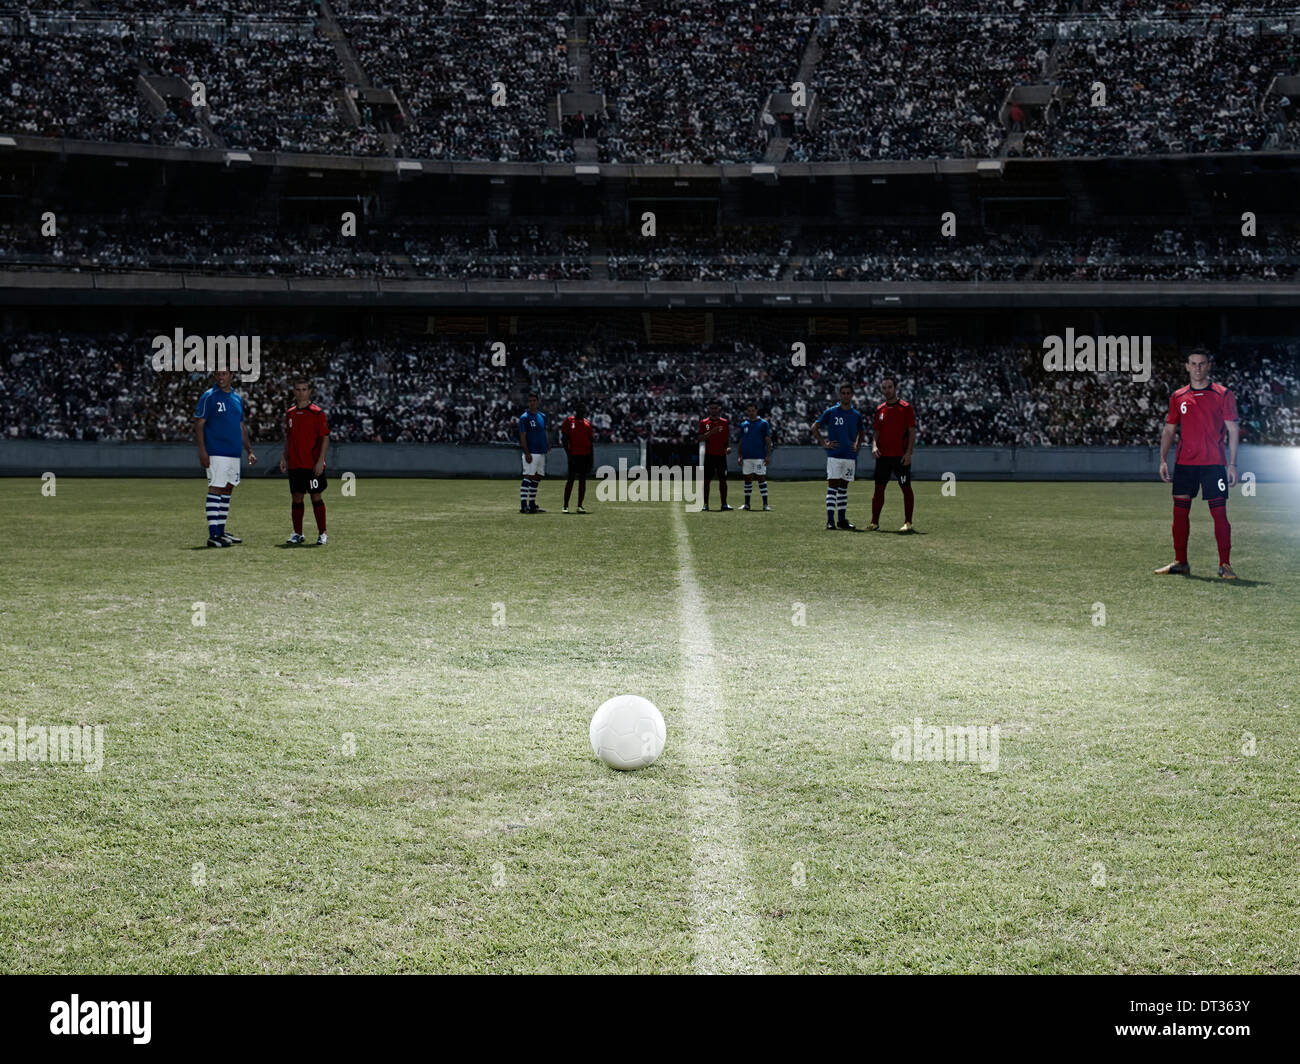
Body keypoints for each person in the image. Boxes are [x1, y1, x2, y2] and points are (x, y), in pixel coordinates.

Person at [1156, 349, 1239, 579]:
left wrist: (1232, 465)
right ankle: (1180, 561)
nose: (1198, 368)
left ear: (1209, 366)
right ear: (1187, 367)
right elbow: (1170, 429)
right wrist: (1163, 459)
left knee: (1219, 514)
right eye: (1193, 364)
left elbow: (1232, 429)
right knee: (1179, 513)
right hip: (1185, 463)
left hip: (1214, 464)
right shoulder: (1178, 396)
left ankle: (1225, 565)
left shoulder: (1223, 394)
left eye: (1202, 364)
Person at [194, 369, 256, 547]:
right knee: (216, 488)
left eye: (224, 374)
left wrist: (249, 450)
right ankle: (213, 535)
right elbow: (199, 424)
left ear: (231, 376)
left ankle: (220, 531)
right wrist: (202, 450)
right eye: (217, 374)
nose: (220, 377)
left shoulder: (237, 398)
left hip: (234, 452)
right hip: (216, 451)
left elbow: (241, 426)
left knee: (228, 488)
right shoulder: (209, 396)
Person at [280, 377, 330, 546]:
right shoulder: (290, 413)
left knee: (316, 496)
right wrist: (284, 457)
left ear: (309, 392)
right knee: (296, 498)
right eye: (298, 389)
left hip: (312, 464)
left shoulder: (317, 412)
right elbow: (289, 437)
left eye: (304, 389)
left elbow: (325, 437)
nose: (301, 392)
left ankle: (322, 533)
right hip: (295, 464)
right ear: (294, 392)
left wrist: (320, 461)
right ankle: (297, 533)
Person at [812, 383, 865, 530]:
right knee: (833, 487)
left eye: (848, 393)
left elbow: (862, 432)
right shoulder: (831, 411)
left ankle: (841, 520)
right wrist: (824, 443)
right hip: (834, 455)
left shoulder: (856, 415)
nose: (846, 395)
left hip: (849, 456)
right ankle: (830, 520)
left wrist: (857, 445)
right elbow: (814, 427)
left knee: (843, 489)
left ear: (852, 395)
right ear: (839, 395)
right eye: (843, 393)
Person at [869, 376, 917, 532]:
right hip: (883, 457)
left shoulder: (906, 408)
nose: (887, 390)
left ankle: (908, 522)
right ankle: (874, 522)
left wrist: (909, 453)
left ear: (895, 388)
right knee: (878, 489)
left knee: (906, 488)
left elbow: (911, 432)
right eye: (884, 388)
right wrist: (874, 446)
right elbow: (876, 432)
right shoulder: (879, 410)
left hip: (900, 458)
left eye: (889, 387)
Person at [698, 398, 733, 511]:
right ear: (709, 409)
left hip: (721, 456)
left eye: (715, 408)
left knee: (723, 481)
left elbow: (727, 438)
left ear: (719, 409)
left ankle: (724, 504)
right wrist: (711, 432)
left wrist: (728, 447)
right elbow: (700, 438)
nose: (713, 410)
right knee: (706, 481)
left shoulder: (724, 422)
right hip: (709, 456)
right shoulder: (704, 422)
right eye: (711, 408)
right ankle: (705, 504)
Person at [736, 402, 772, 510]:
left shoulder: (763, 423)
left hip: (759, 457)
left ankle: (765, 504)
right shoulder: (744, 424)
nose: (751, 413)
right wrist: (739, 455)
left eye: (753, 411)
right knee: (747, 479)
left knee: (761, 478)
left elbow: (768, 440)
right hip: (747, 457)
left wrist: (768, 455)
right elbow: (741, 441)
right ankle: (747, 504)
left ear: (756, 411)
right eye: (749, 411)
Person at [560, 400, 594, 514]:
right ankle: (565, 505)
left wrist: (591, 459)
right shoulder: (569, 421)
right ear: (576, 410)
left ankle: (580, 505)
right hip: (573, 455)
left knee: (582, 481)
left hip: (585, 456)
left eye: (583, 408)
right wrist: (568, 454)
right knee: (570, 480)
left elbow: (590, 443)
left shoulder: (587, 424)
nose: (581, 410)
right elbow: (564, 439)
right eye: (579, 408)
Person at [519, 391, 548, 514]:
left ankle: (532, 504)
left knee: (538, 477)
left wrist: (547, 445)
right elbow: (523, 436)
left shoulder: (542, 416)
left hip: (541, 451)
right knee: (528, 476)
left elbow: (544, 432)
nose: (531, 403)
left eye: (534, 401)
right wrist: (527, 452)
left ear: (537, 402)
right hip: (531, 451)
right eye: (529, 401)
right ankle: (523, 505)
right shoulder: (524, 417)